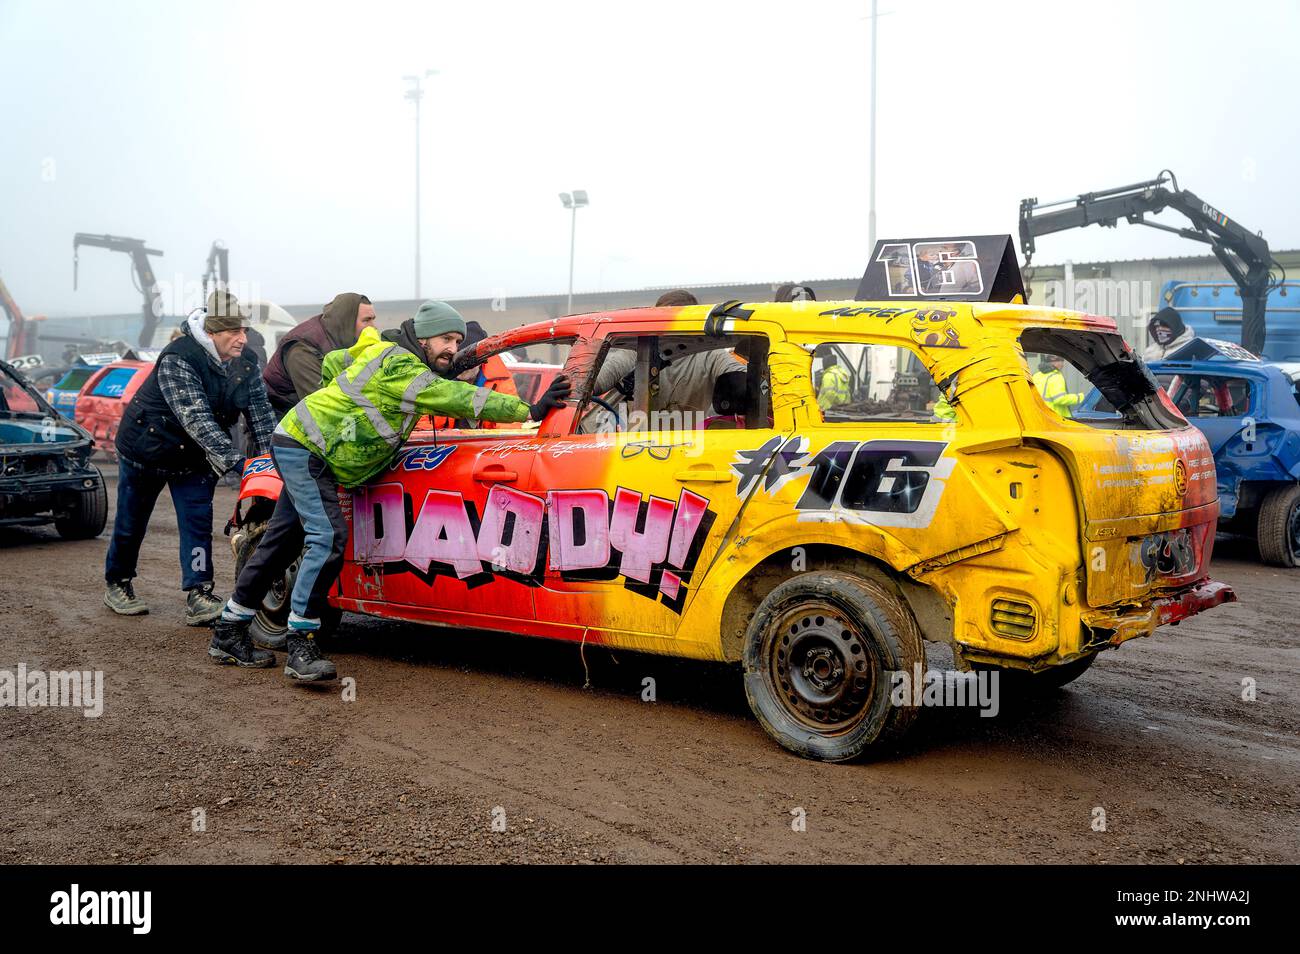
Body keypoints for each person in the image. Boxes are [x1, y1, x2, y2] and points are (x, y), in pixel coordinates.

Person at [207, 301, 572, 682]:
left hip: (303, 443)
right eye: (445, 338)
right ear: (424, 337)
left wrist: (342, 405)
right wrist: (528, 411)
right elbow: (461, 398)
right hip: (310, 450)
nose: (451, 347)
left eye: (457, 341)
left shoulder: (380, 349)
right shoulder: (404, 368)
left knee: (281, 543)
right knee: (328, 538)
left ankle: (229, 631)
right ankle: (302, 643)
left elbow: (333, 364)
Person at [104, 291, 276, 624]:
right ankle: (118, 583)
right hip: (146, 448)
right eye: (234, 332)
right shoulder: (178, 357)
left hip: (194, 458)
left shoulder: (247, 362)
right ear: (212, 332)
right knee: (131, 522)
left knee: (197, 523)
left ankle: (199, 594)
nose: (243, 339)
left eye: (244, 331)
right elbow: (196, 418)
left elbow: (261, 415)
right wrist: (236, 461)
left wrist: (272, 461)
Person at [262, 292, 376, 417]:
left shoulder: (343, 340)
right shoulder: (302, 349)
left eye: (372, 319)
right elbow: (322, 405)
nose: (373, 327)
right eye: (366, 320)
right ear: (346, 320)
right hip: (279, 426)